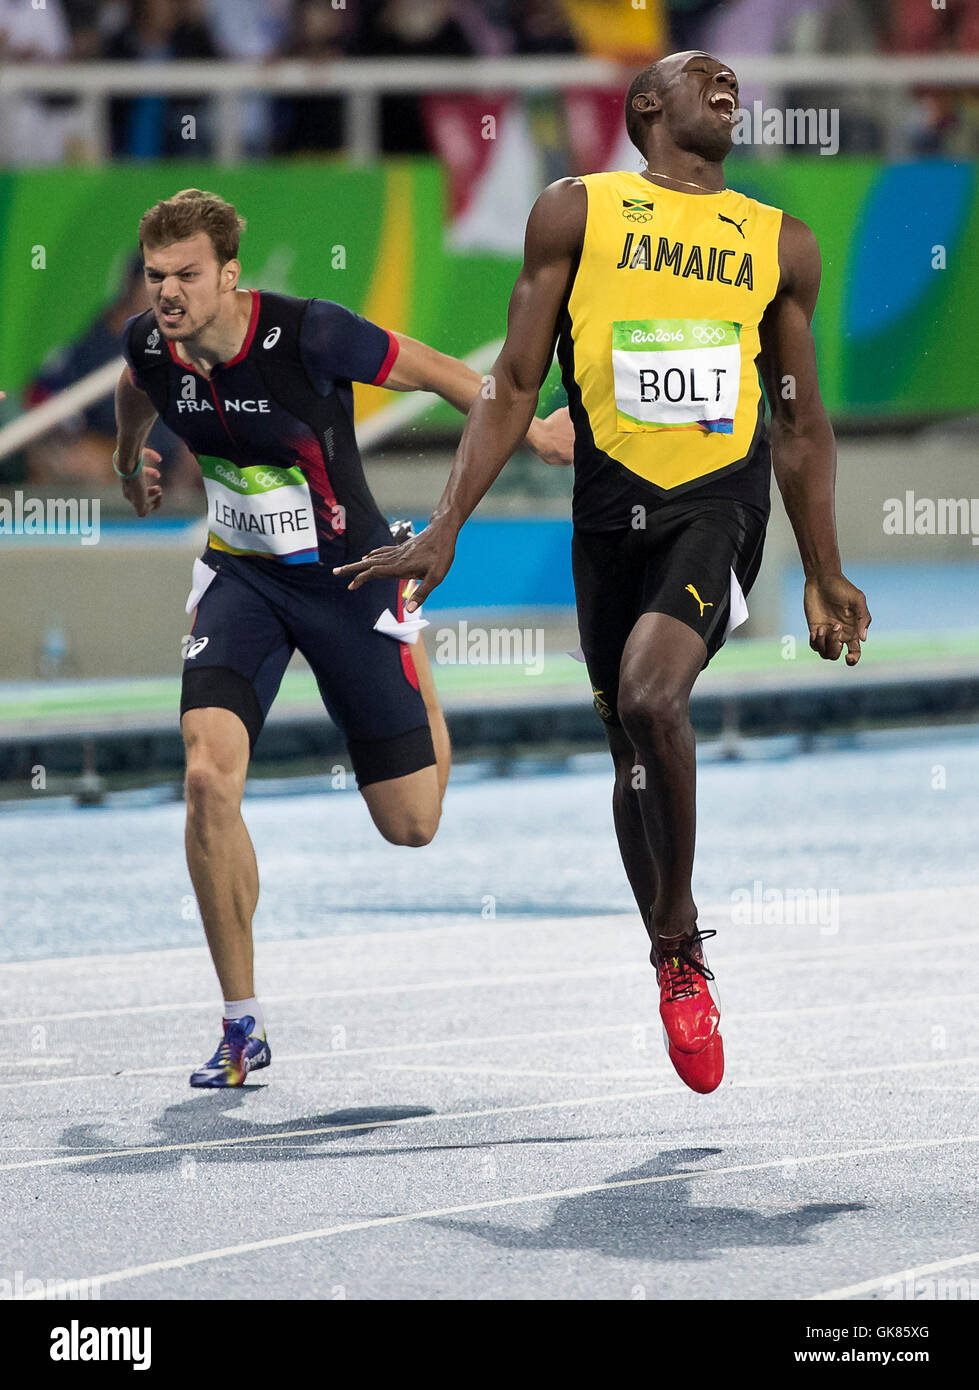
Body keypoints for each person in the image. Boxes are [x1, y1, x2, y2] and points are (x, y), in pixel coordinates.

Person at [335, 52, 872, 1095]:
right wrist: (446, 524)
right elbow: (512, 383)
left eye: (730, 79)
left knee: (651, 693)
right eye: (698, 74)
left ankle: (680, 940)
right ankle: (668, 952)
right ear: (644, 107)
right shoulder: (574, 212)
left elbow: (800, 422)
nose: (724, 83)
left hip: (718, 503)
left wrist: (823, 568)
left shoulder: (780, 241)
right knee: (626, 740)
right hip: (606, 514)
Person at [114, 188, 573, 1088]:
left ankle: (411, 649)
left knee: (412, 825)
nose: (167, 293)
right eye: (156, 276)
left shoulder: (311, 334)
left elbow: (443, 372)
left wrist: (536, 434)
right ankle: (240, 1025)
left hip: (350, 578)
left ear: (230, 276)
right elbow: (139, 388)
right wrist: (131, 462)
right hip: (240, 580)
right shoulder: (147, 344)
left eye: (186, 277)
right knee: (207, 776)